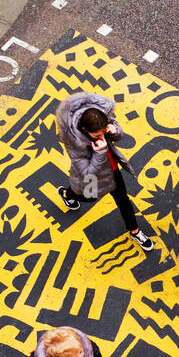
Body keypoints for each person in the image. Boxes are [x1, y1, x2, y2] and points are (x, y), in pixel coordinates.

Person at [54, 91, 153, 251]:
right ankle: (66, 194)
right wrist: (100, 153)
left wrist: (115, 131)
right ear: (85, 129)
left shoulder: (101, 119)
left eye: (104, 133)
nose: (102, 136)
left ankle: (135, 231)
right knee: (89, 198)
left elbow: (117, 136)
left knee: (123, 201)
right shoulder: (75, 143)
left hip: (112, 171)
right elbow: (87, 173)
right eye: (97, 135)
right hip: (93, 177)